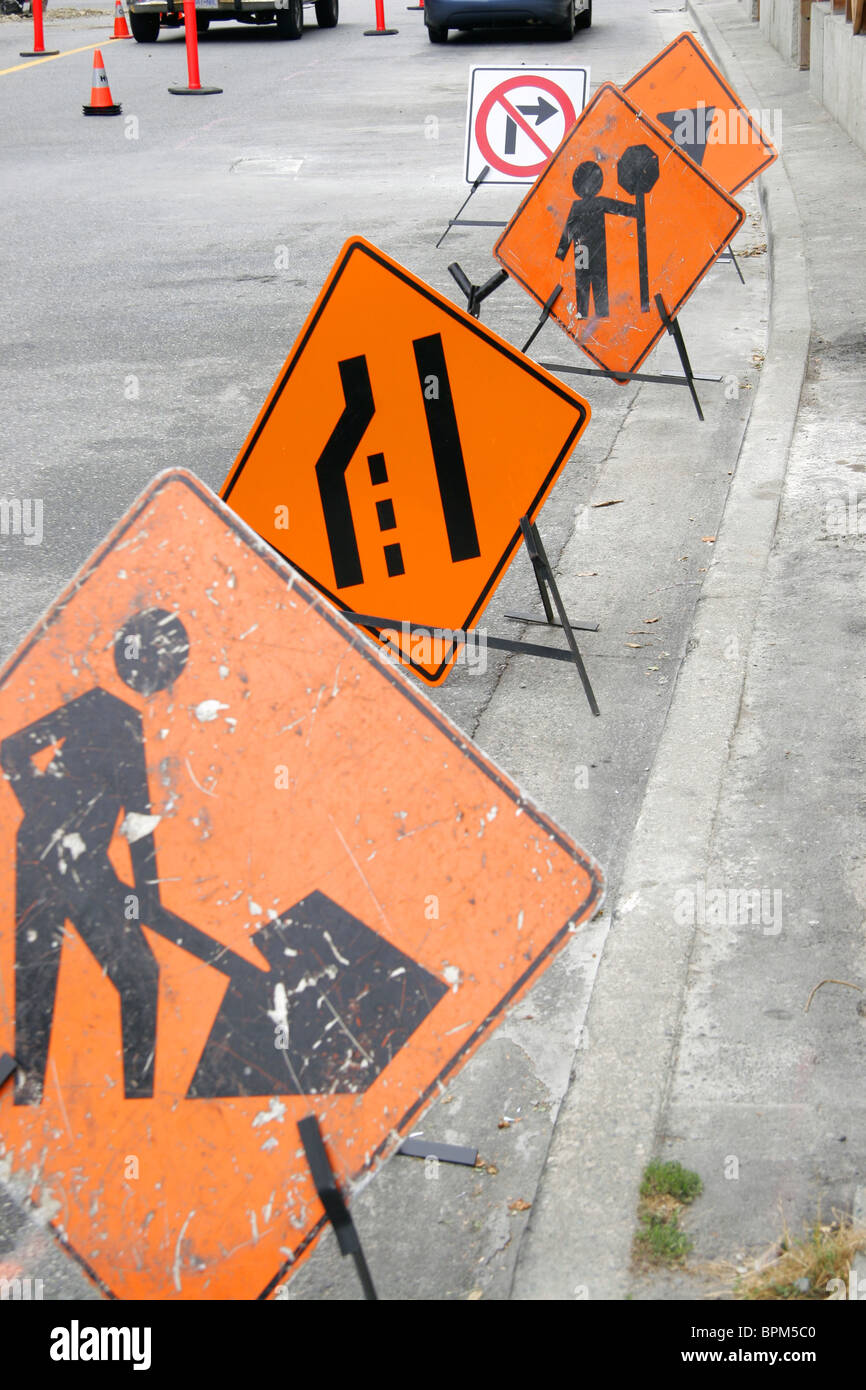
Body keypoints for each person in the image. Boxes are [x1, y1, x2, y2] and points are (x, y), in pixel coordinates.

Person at [1, 608, 188, 1105]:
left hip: (89, 866)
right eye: (157, 656)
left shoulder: (135, 724)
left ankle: (138, 1099)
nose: (162, 669)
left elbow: (138, 823)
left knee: (140, 977)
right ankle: (30, 1092)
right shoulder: (96, 707)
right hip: (44, 857)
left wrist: (150, 903)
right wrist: (48, 820)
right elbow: (12, 749)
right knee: (40, 973)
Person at [555, 160, 637, 319]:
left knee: (585, 280)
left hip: (583, 248)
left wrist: (561, 251)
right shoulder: (595, 203)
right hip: (594, 248)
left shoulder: (580, 205)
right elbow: (622, 208)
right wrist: (637, 210)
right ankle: (600, 312)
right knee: (595, 280)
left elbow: (568, 229)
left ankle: (586, 312)